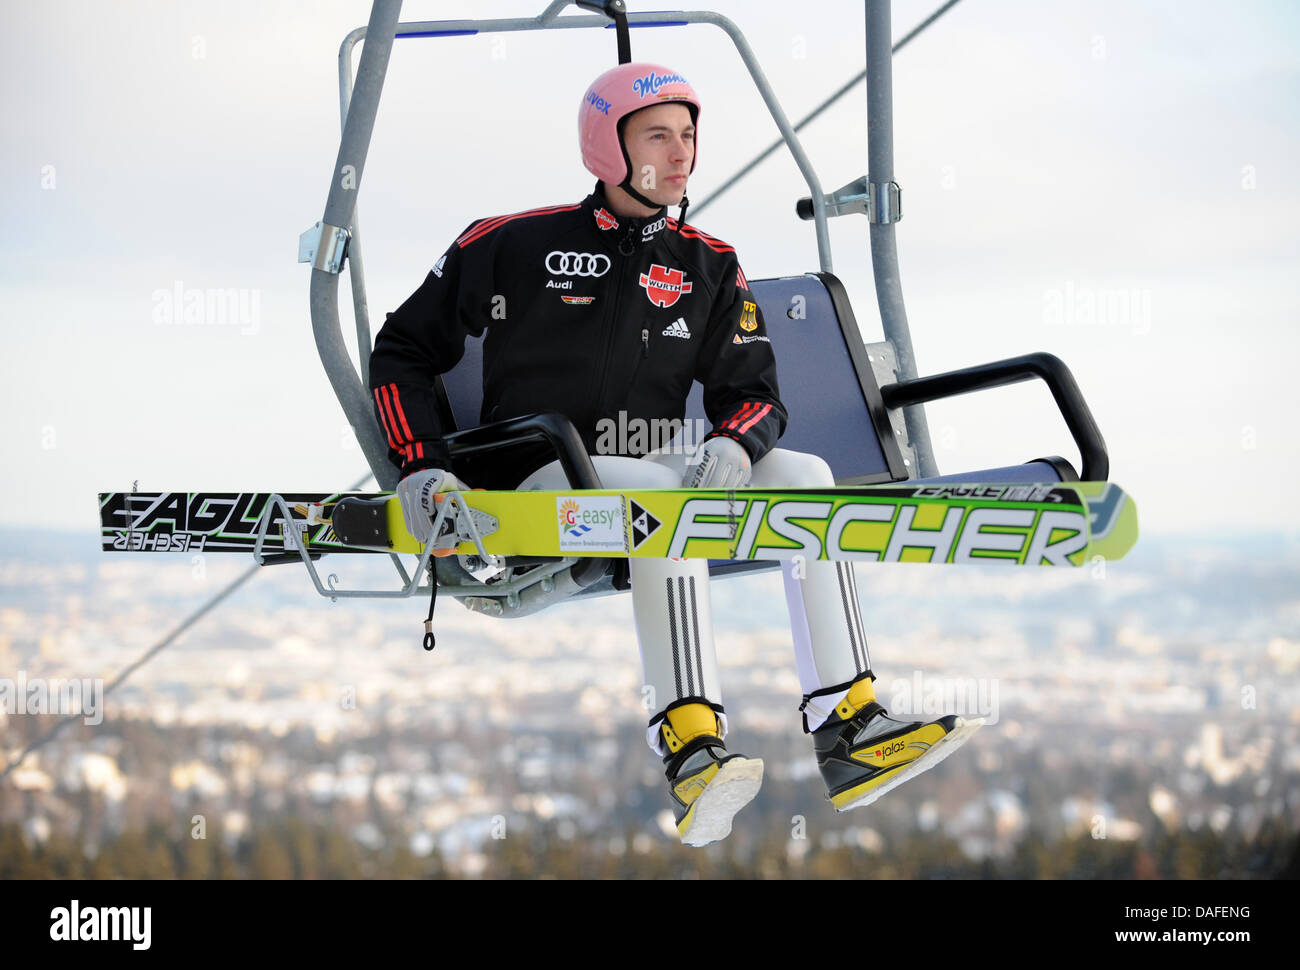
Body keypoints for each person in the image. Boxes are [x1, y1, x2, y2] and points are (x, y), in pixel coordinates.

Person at [368, 62, 979, 847]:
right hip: (528, 477)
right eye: (659, 133)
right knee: (668, 504)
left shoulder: (708, 266)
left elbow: (757, 394)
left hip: (649, 467)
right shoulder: (513, 243)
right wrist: (420, 460)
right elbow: (403, 349)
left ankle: (850, 727)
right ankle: (690, 743)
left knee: (806, 476)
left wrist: (734, 441)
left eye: (689, 134)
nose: (682, 152)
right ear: (607, 145)